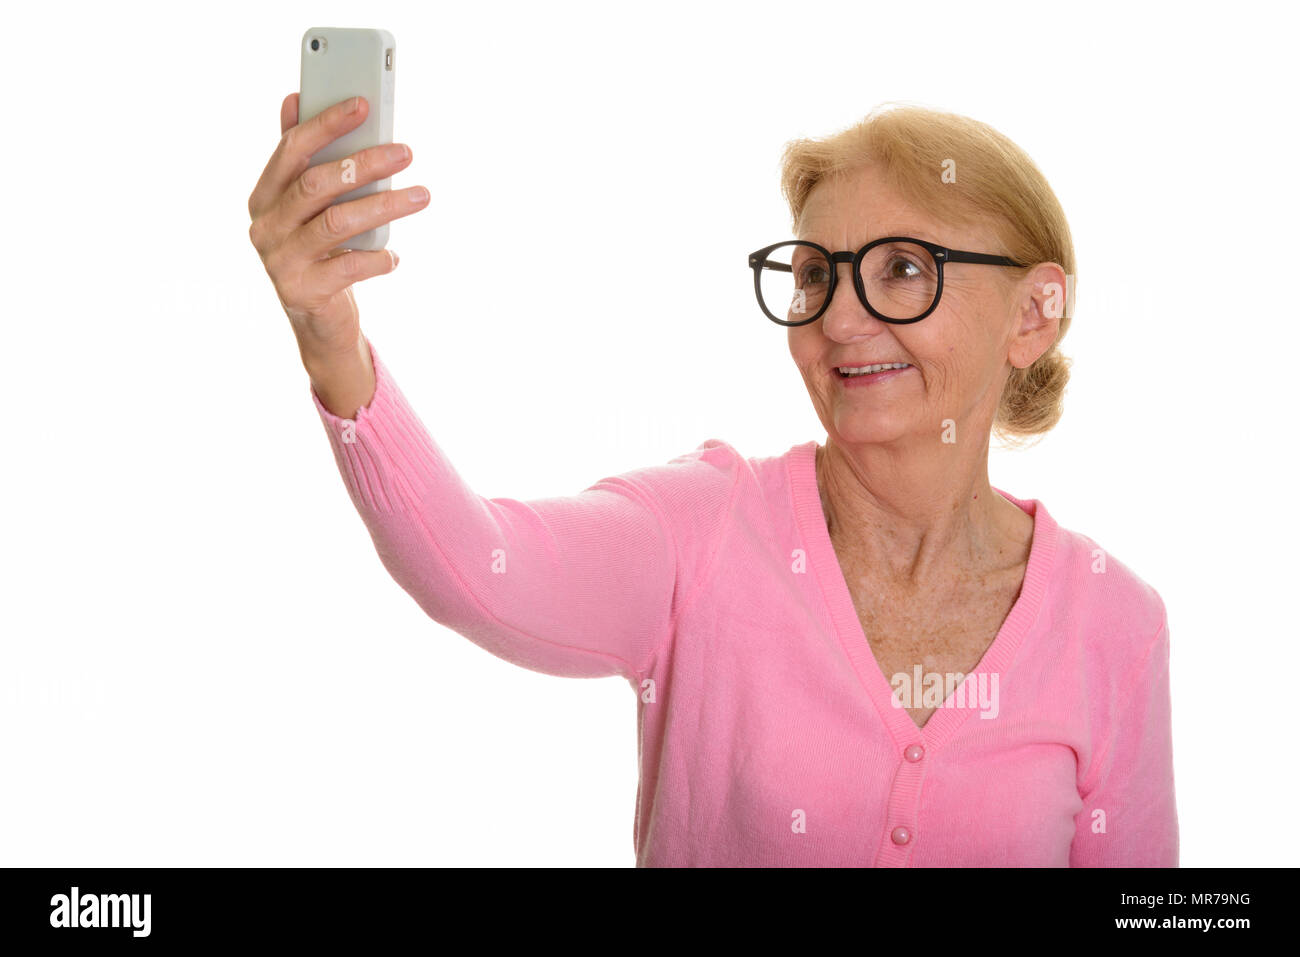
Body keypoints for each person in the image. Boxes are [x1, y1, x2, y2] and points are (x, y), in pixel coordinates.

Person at [248, 95, 1177, 867]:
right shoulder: (702, 532)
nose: (841, 320)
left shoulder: (1113, 622)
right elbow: (473, 563)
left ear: (1033, 313)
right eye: (815, 275)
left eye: (902, 270)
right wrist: (330, 335)